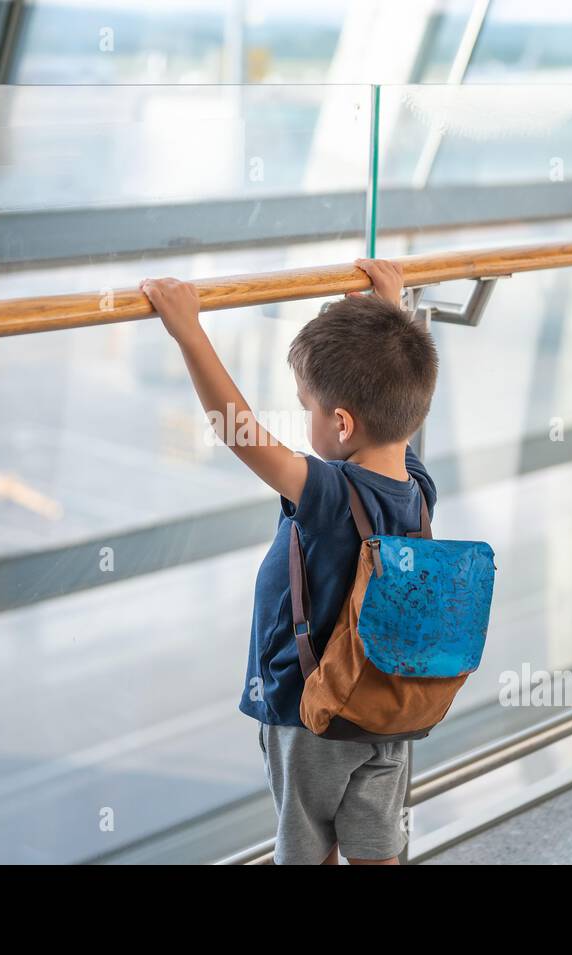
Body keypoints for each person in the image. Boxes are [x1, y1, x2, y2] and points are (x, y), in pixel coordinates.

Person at [140, 259, 439, 865]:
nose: (306, 422)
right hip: (390, 703)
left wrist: (188, 331)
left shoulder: (330, 496)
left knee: (308, 848)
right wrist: (393, 312)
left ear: (342, 423)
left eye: (308, 407)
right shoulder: (417, 487)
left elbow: (241, 433)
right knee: (378, 849)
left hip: (313, 712)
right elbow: (396, 400)